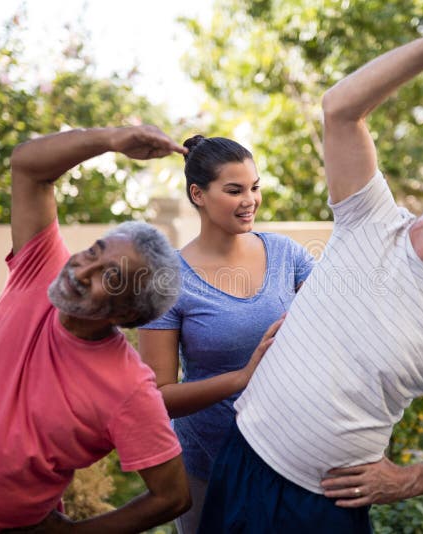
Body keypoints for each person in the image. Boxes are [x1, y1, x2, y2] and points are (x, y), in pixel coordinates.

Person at [198, 9, 423, 533]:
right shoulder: (370, 217)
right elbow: (340, 108)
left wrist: (410, 479)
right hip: (243, 460)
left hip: (325, 509)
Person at [0, 125, 192, 533]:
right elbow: (27, 166)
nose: (80, 270)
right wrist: (112, 139)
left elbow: (173, 496)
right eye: (93, 252)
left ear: (127, 313)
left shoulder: (129, 386)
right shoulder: (38, 272)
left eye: (108, 278)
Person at [137, 135, 314, 533]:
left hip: (290, 454)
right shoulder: (168, 280)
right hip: (208, 463)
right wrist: (240, 378)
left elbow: (345, 322)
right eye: (234, 190)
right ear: (197, 194)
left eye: (254, 187)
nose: (249, 200)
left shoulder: (288, 256)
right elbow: (157, 397)